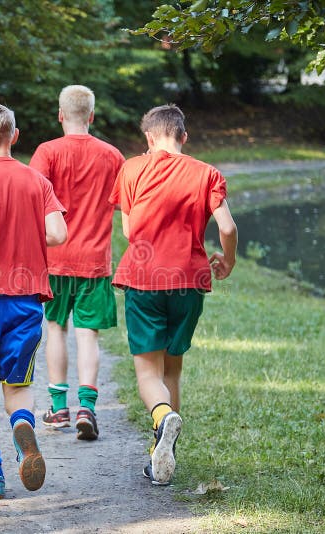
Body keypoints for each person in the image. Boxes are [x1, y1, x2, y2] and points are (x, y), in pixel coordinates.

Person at [108, 104, 237, 486]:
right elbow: (227, 228)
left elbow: (131, 233)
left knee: (148, 371)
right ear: (184, 136)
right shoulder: (206, 173)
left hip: (144, 276)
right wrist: (227, 261)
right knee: (172, 367)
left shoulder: (132, 169)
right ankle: (164, 455)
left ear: (149, 138)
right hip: (188, 278)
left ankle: (163, 418)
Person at [0, 103, 67, 500]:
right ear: (15, 136)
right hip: (25, 296)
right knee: (17, 386)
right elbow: (58, 234)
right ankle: (22, 423)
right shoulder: (36, 181)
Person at [29, 85, 124, 440]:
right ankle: (88, 405)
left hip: (53, 259)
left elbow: (33, 197)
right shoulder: (113, 156)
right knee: (88, 336)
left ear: (60, 115)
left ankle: (58, 408)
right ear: (92, 116)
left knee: (55, 329)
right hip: (95, 261)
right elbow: (122, 204)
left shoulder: (47, 152)